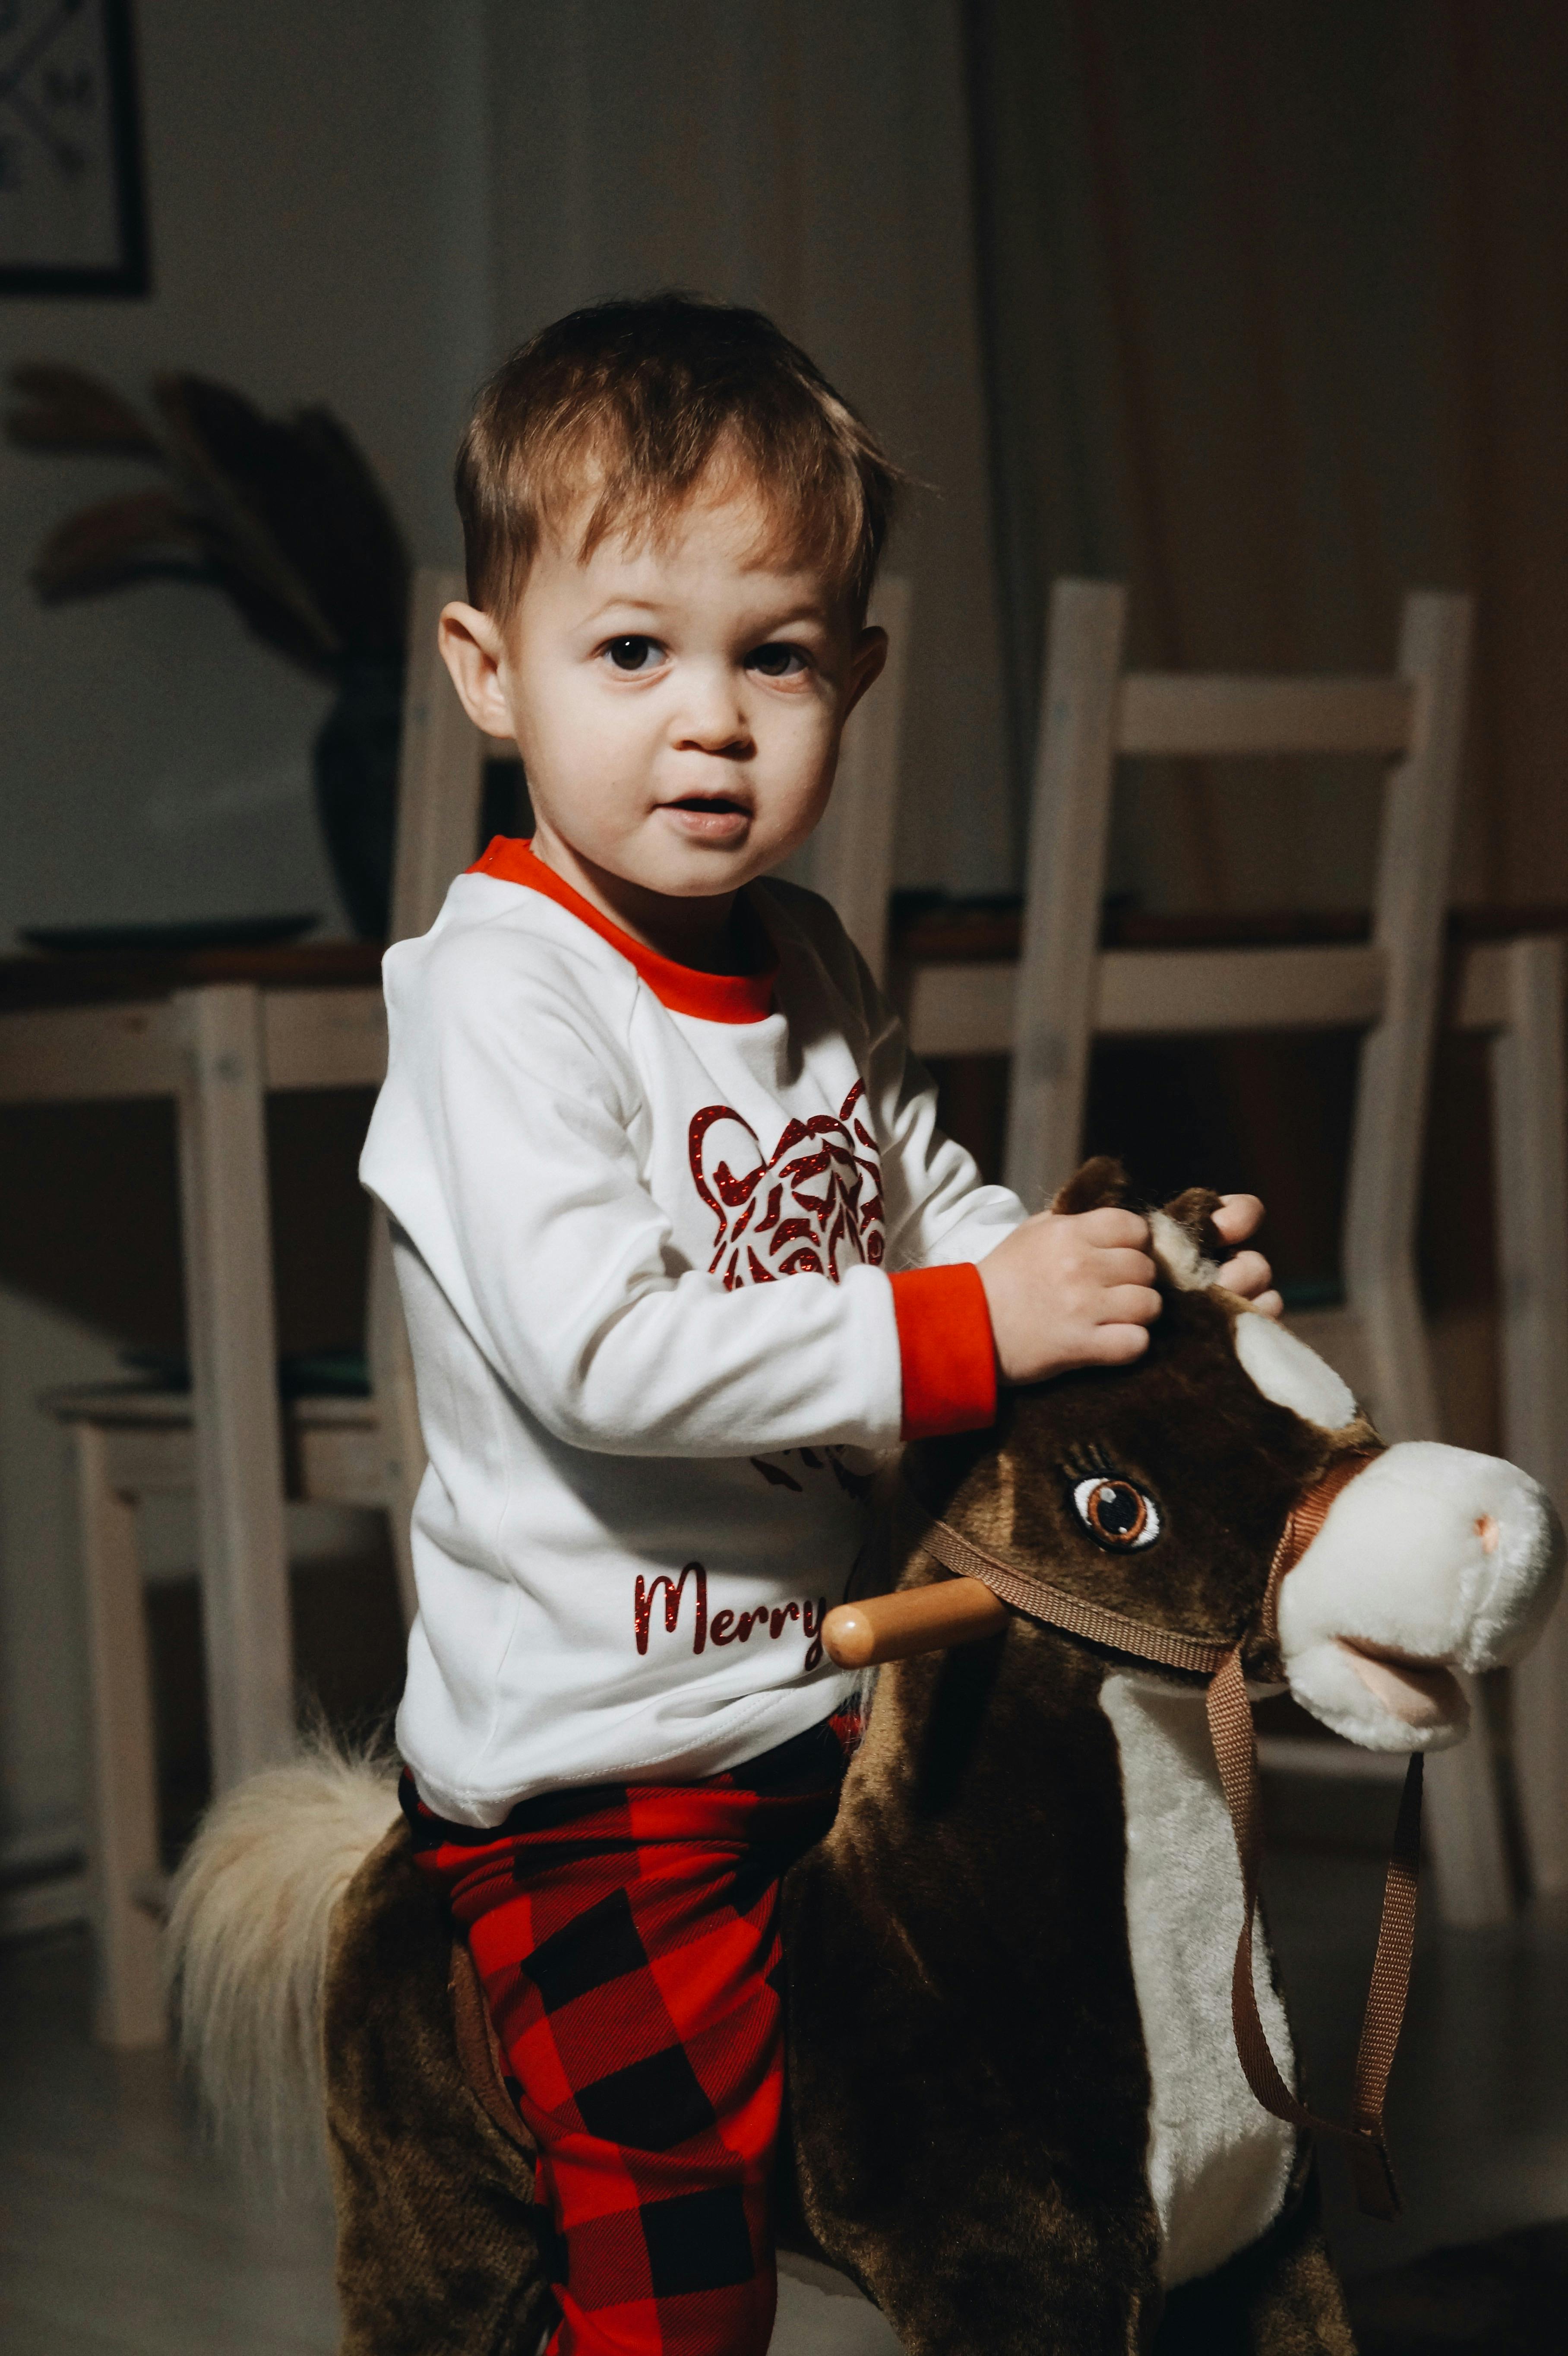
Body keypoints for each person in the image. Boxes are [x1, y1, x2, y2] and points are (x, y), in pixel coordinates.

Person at [359, 293, 1279, 2356]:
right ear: (487, 672)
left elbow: (911, 1204)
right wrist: (962, 1324)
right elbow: (602, 1347)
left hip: (821, 1705)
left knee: (990, 2111)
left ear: (851, 676)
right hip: (601, 1759)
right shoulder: (495, 991)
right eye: (632, 651)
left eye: (771, 655)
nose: (711, 719)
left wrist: (1110, 1283)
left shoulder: (803, 956)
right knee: (675, 2258)